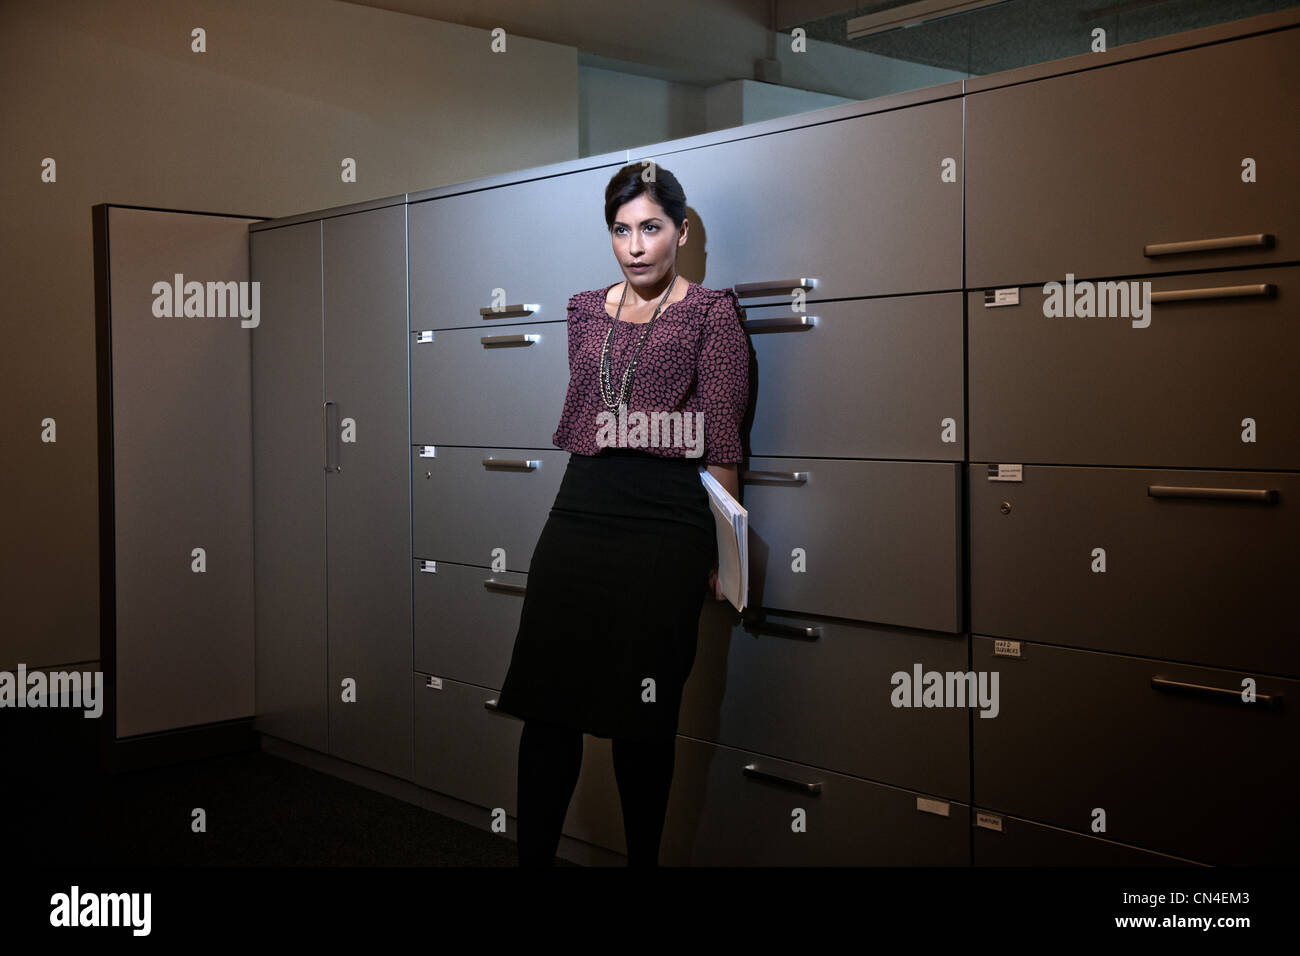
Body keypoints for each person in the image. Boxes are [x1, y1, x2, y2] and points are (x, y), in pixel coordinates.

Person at [494, 162, 751, 866]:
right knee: (548, 709)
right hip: (581, 510)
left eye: (651, 228)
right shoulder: (584, 310)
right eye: (621, 230)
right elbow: (586, 415)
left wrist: (726, 559)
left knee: (643, 716)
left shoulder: (712, 314)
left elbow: (723, 441)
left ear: (681, 230)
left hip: (666, 523)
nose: (635, 246)